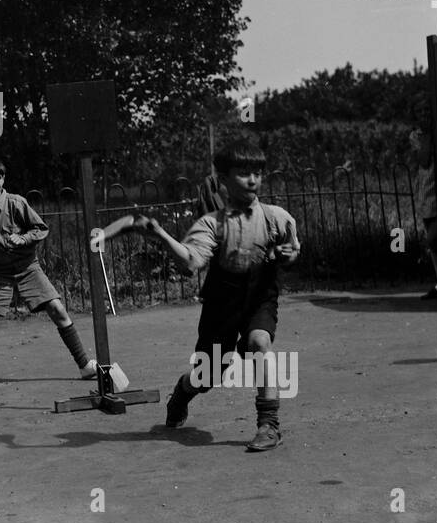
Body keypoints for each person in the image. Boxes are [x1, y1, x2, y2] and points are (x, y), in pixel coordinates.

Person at [100, 135, 299, 451]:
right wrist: (161, 235)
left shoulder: (277, 217)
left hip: (260, 296)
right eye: (243, 173)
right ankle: (182, 392)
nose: (253, 180)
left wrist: (288, 255)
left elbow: (291, 255)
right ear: (223, 180)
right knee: (208, 376)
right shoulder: (210, 225)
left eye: (258, 173)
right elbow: (192, 262)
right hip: (222, 303)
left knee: (259, 343)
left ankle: (268, 424)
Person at [0, 154, 97, 389]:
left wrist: (22, 238)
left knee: (57, 310)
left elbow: (41, 228)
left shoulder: (16, 203)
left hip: (27, 269)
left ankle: (85, 365)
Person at [410, 126, 437, 298]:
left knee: (433, 239)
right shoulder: (416, 135)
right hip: (426, 192)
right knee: (433, 244)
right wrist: (425, 139)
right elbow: (423, 161)